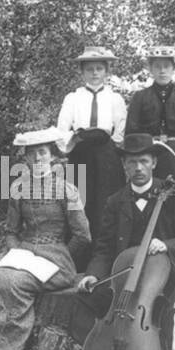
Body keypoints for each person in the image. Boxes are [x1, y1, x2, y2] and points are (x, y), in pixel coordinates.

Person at [42, 133, 175, 350]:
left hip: (171, 274)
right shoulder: (115, 201)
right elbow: (103, 248)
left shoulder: (173, 195)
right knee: (85, 300)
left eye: (144, 161)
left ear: (154, 163)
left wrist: (167, 246)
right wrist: (93, 273)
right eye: (132, 162)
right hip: (125, 275)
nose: (138, 168)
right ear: (124, 165)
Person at [0, 127, 91, 350]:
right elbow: (11, 230)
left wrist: (60, 253)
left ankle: (6, 341)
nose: (37, 158)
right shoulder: (18, 188)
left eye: (42, 152)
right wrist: (16, 252)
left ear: (52, 155)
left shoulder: (68, 190)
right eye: (32, 154)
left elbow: (83, 235)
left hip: (57, 260)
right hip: (24, 253)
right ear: (25, 158)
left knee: (14, 283)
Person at [56, 46, 127, 263]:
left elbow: (121, 129)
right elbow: (62, 129)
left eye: (99, 69)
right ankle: (78, 260)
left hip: (107, 156)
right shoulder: (73, 98)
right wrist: (74, 141)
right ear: (82, 72)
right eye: (89, 69)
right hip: (81, 153)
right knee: (79, 203)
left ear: (106, 71)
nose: (95, 73)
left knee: (106, 204)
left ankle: (104, 259)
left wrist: (110, 147)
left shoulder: (115, 99)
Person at [125, 45, 175, 198]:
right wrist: (146, 148)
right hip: (148, 154)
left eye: (166, 66)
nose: (162, 71)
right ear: (150, 69)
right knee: (148, 196)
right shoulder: (140, 97)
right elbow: (131, 131)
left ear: (174, 68)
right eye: (157, 66)